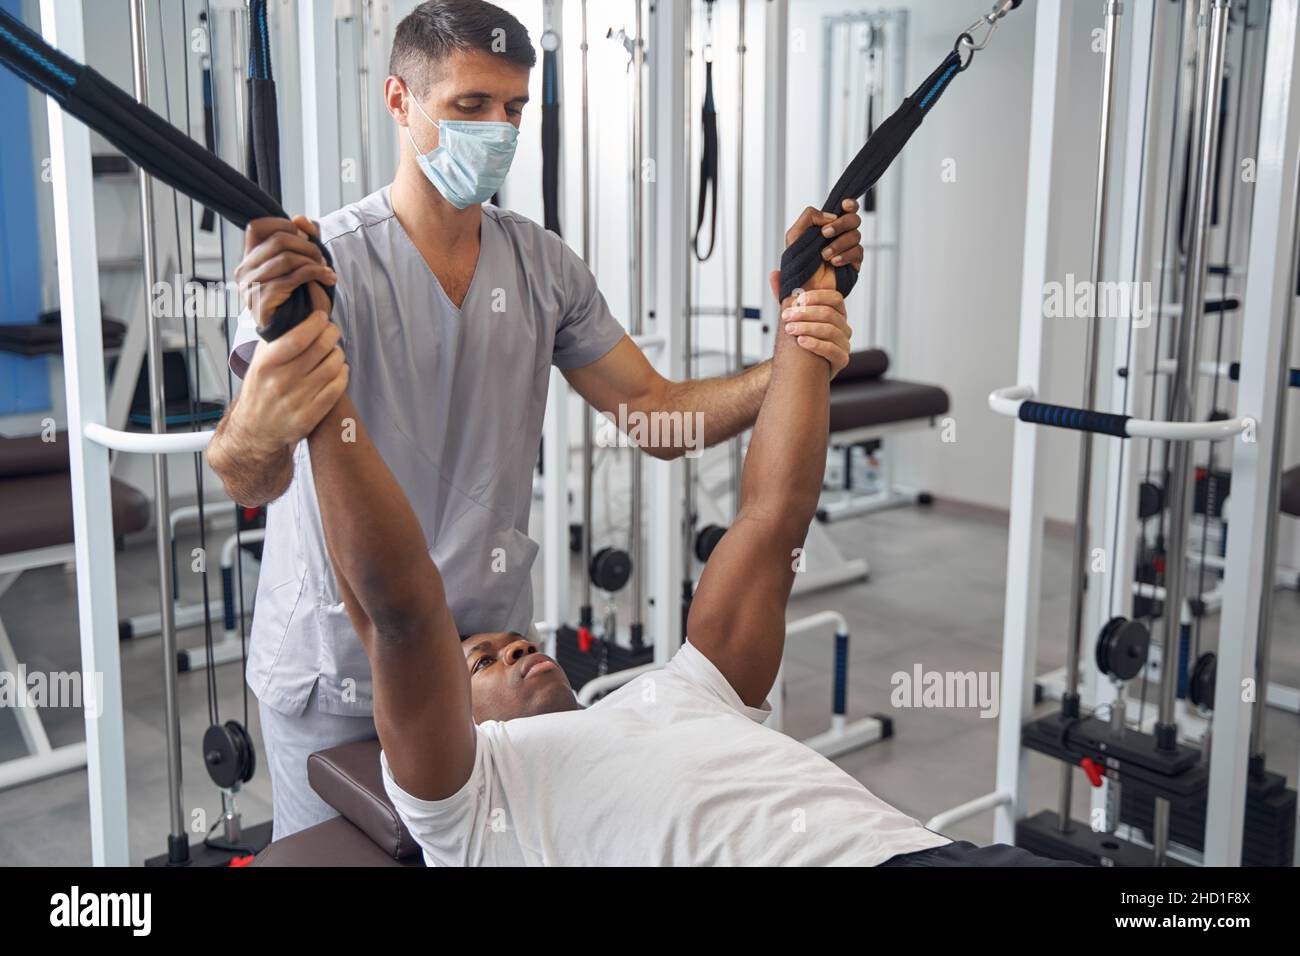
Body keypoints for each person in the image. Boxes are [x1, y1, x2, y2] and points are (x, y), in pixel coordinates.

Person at [206, 0, 865, 839]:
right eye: (471, 107)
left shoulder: (543, 265)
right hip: (336, 665)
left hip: (487, 664)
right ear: (399, 101)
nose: (499, 130)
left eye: (514, 108)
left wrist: (796, 358)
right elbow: (245, 473)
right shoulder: (322, 267)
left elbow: (657, 418)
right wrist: (268, 414)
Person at [289, 251, 1077, 866]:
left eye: (506, 641)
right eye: (483, 661)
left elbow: (772, 520)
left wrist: (807, 300)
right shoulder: (464, 800)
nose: (516, 646)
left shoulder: (682, 691)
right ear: (445, 716)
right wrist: (315, 382)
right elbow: (400, 610)